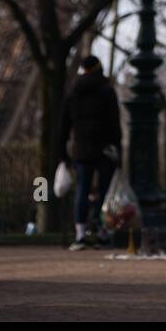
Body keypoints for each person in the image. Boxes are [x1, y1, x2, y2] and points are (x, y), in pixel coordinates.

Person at [58, 54, 121, 250]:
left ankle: (80, 234)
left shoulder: (73, 92)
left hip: (81, 149)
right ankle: (102, 232)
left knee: (82, 191)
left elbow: (63, 126)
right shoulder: (106, 91)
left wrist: (62, 153)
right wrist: (117, 148)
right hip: (103, 148)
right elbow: (114, 123)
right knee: (104, 193)